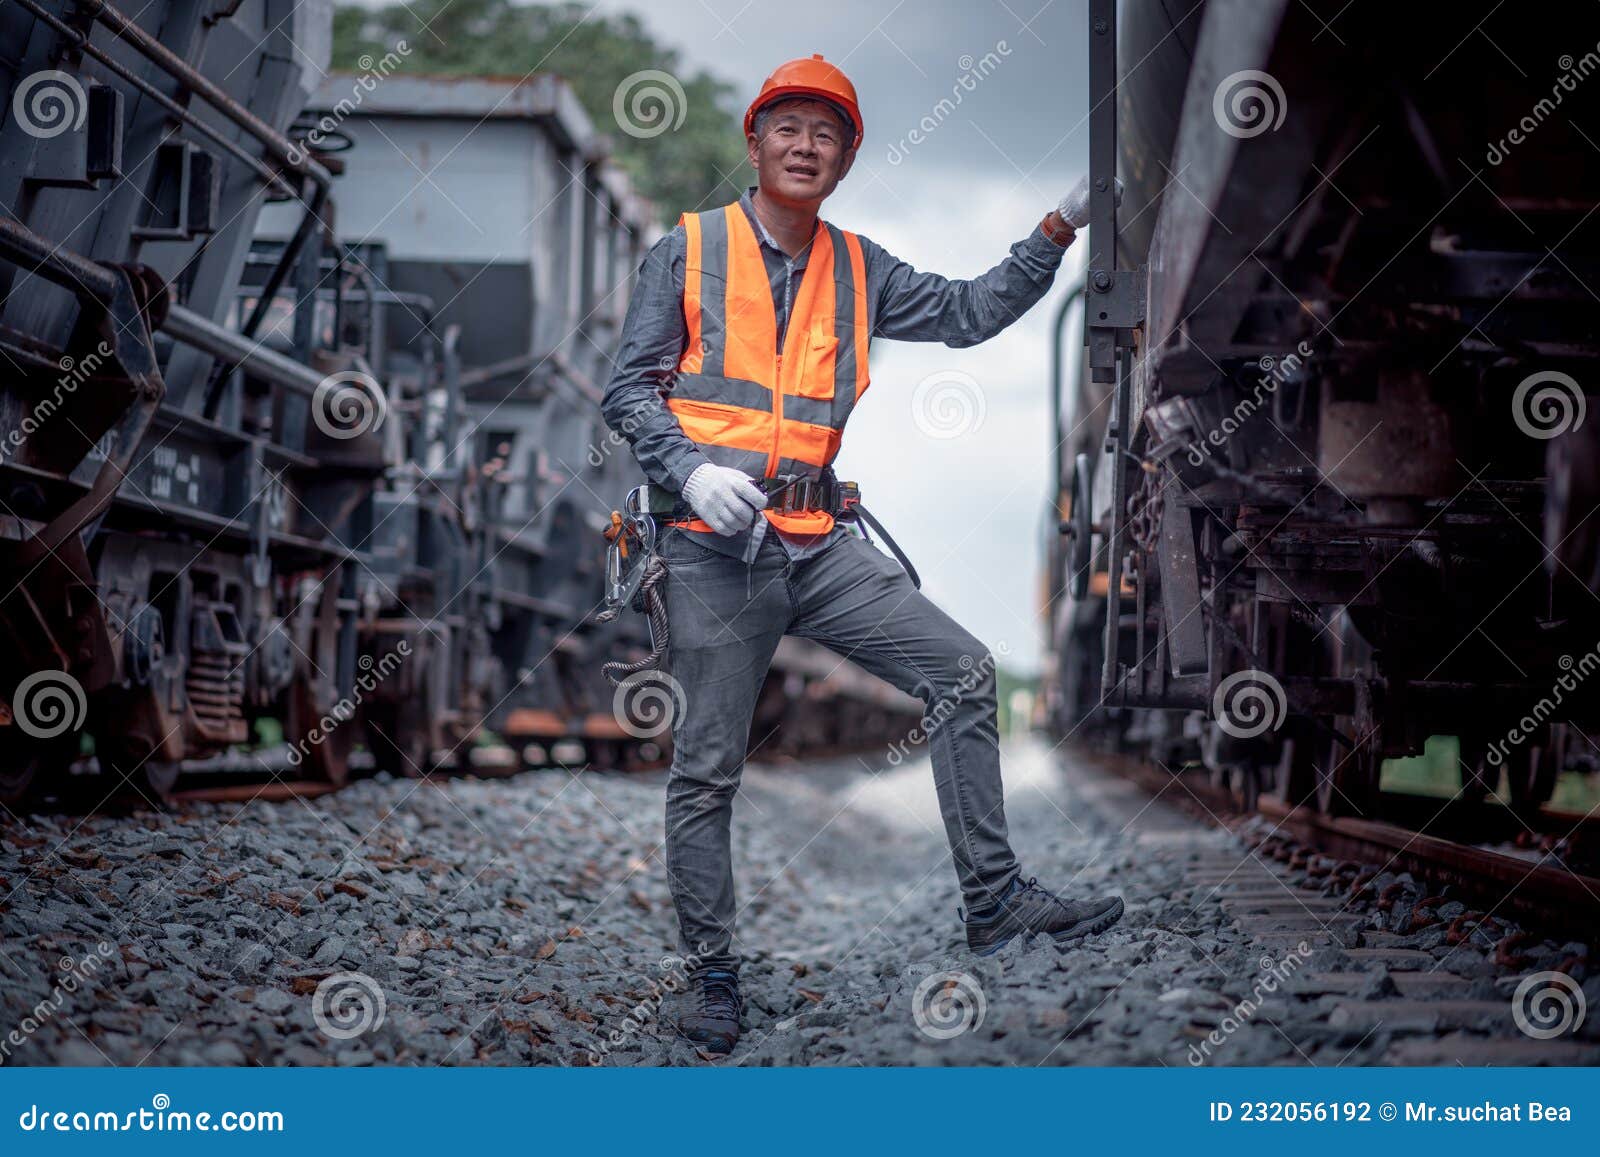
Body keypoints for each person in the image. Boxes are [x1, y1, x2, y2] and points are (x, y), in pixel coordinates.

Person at [601, 54, 1124, 1056]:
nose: (805, 147)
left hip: (817, 542)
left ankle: (995, 899)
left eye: (826, 134)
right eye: (788, 128)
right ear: (755, 142)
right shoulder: (687, 250)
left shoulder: (858, 267)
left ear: (844, 160)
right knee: (706, 769)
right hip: (710, 546)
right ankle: (711, 974)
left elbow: (969, 313)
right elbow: (628, 388)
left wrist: (1061, 225)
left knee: (964, 672)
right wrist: (690, 473)